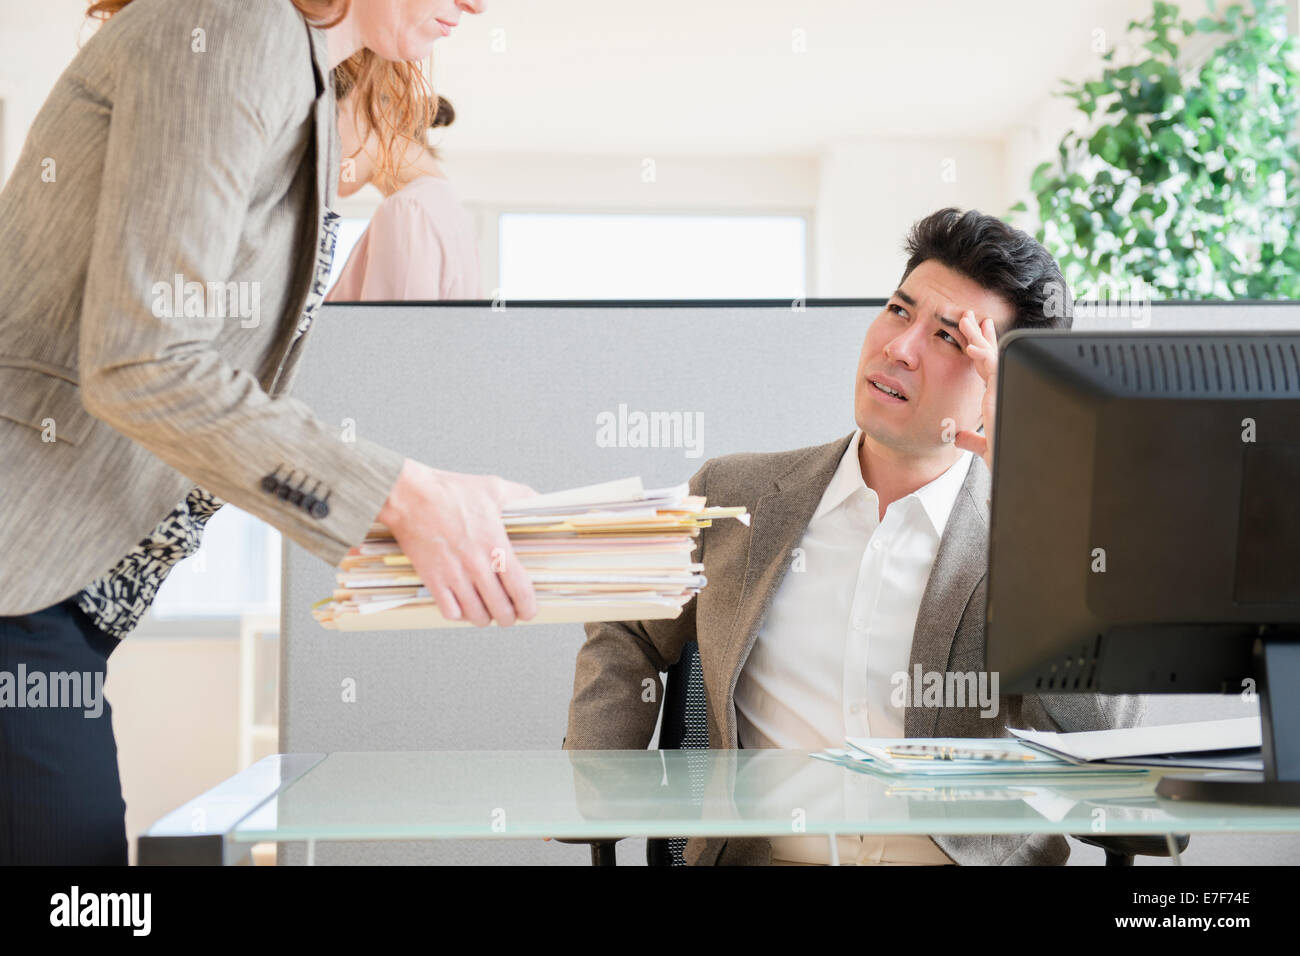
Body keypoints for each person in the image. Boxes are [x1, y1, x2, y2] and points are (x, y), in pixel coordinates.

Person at [0, 0, 534, 866]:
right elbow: (145, 361)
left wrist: (419, 502)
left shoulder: (296, 75)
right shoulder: (234, 27)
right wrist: (401, 497)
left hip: (58, 600)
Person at [563, 208, 1146, 866]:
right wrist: (601, 792)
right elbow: (628, 625)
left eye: (951, 339)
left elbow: (1113, 744)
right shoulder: (737, 495)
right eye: (900, 311)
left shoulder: (1045, 533)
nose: (901, 347)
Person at [326, 79, 482, 300]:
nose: (318, 152)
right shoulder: (443, 209)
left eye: (324, 126)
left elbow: (397, 333)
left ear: (367, 106)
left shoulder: (408, 210)